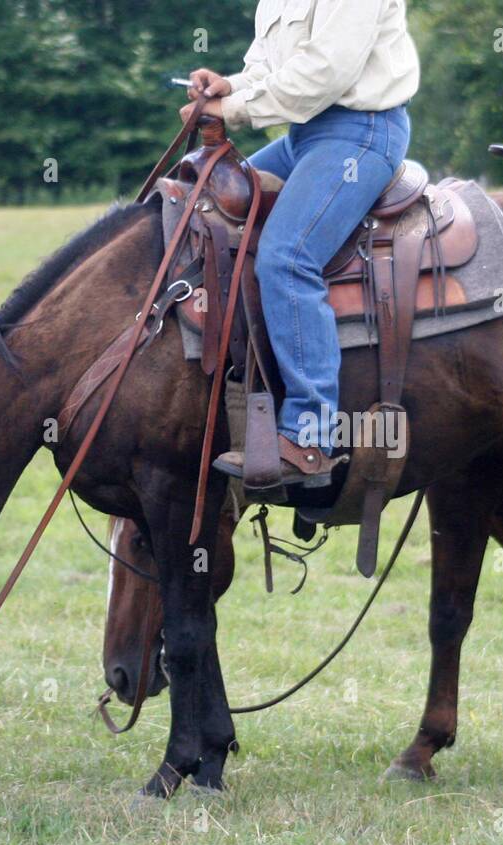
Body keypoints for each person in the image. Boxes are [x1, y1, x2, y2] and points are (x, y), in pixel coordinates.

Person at [185, 0, 419, 487]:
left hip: (361, 133)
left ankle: (309, 435)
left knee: (288, 256)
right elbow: (270, 68)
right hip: (303, 137)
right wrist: (231, 85)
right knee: (198, 207)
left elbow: (325, 73)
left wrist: (231, 110)